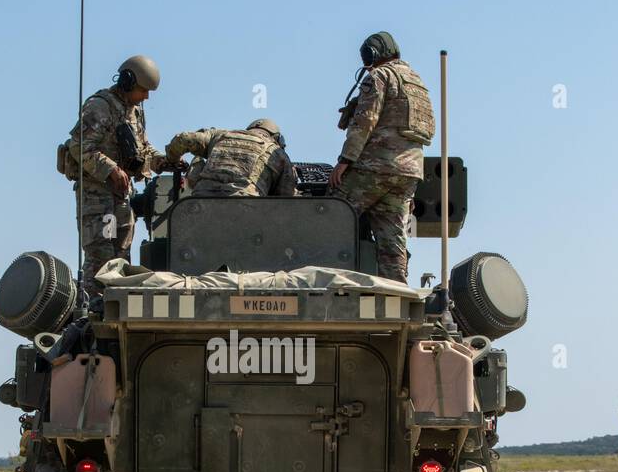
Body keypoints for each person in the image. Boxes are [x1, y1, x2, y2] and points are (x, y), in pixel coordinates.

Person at [329, 32, 435, 282]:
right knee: (393, 236)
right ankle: (397, 292)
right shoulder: (416, 81)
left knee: (331, 213)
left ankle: (325, 282)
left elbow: (364, 122)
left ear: (372, 56)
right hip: (409, 172)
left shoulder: (379, 76)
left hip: (375, 166)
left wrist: (344, 162)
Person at [59, 55, 165, 294]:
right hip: (97, 196)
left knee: (120, 257)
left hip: (122, 196)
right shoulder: (99, 106)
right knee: (100, 256)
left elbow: (142, 147)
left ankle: (114, 304)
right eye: (142, 90)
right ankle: (94, 309)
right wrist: (111, 169)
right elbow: (80, 146)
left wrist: (161, 161)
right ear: (127, 82)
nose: (146, 97)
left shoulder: (135, 111)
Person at [162, 119, 296, 197]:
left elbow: (184, 138)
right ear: (276, 138)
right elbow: (284, 201)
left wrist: (172, 160)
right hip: (245, 211)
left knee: (198, 160)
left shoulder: (220, 136)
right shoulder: (279, 154)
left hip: (201, 204)